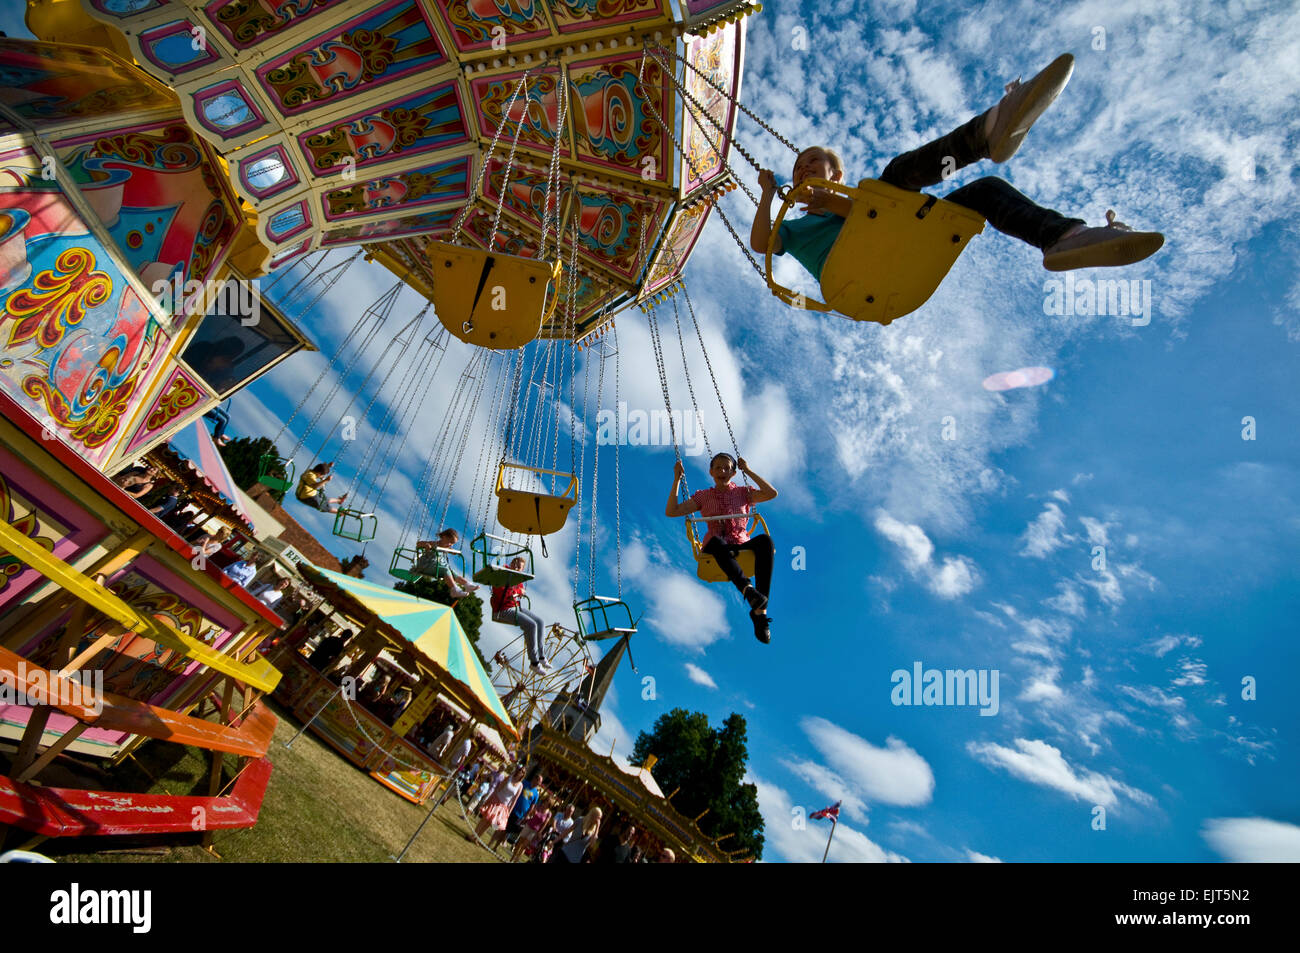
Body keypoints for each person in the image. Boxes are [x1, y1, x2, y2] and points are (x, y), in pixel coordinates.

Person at [750, 53, 1164, 290]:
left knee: (984, 190)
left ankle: (1065, 237)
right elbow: (760, 244)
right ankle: (986, 133)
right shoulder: (799, 227)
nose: (803, 168)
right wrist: (769, 193)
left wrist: (836, 202)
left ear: (834, 174)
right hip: (856, 280)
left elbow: (869, 212)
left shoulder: (861, 199)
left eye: (813, 162)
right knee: (893, 176)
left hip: (905, 254)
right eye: (798, 166)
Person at [666, 453, 778, 643]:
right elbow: (672, 511)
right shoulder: (704, 496)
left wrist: (748, 470)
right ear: (711, 472)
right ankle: (748, 591)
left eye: (727, 468)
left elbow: (771, 493)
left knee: (766, 541)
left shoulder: (744, 493)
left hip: (742, 545)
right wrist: (677, 479)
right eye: (718, 468)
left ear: (733, 473)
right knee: (716, 542)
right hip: (716, 550)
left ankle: (760, 611)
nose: (722, 471)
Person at [491, 558, 550, 672]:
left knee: (540, 622)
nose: (516, 568)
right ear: (511, 564)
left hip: (515, 606)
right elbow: (505, 592)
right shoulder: (503, 574)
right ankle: (534, 662)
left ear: (522, 570)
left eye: (519, 567)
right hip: (502, 610)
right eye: (515, 564)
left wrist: (517, 592)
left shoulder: (518, 580)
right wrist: (517, 592)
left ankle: (541, 656)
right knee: (531, 625)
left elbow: (519, 591)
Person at [413, 528, 479, 597]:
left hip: (437, 568)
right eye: (450, 542)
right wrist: (426, 545)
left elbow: (452, 551)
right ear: (444, 537)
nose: (450, 545)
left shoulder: (447, 548)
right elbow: (418, 543)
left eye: (453, 544)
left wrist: (454, 552)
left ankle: (467, 585)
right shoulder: (434, 544)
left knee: (452, 572)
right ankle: (454, 590)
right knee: (446, 570)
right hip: (426, 566)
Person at [474, 766, 525, 848]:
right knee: (485, 819)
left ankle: (478, 838)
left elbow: (514, 800)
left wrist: (509, 811)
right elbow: (498, 788)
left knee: (490, 823)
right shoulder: (509, 778)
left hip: (503, 806)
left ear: (523, 774)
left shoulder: (520, 785)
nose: (520, 772)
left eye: (522, 771)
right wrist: (491, 799)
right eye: (519, 770)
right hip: (497, 800)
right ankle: (473, 835)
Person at [500, 771, 543, 856]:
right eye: (539, 781)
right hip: (512, 807)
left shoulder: (536, 794)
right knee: (503, 822)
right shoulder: (524, 783)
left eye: (540, 782)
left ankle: (503, 839)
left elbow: (532, 806)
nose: (539, 783)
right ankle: (498, 836)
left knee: (511, 827)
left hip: (520, 814)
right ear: (535, 779)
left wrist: (526, 816)